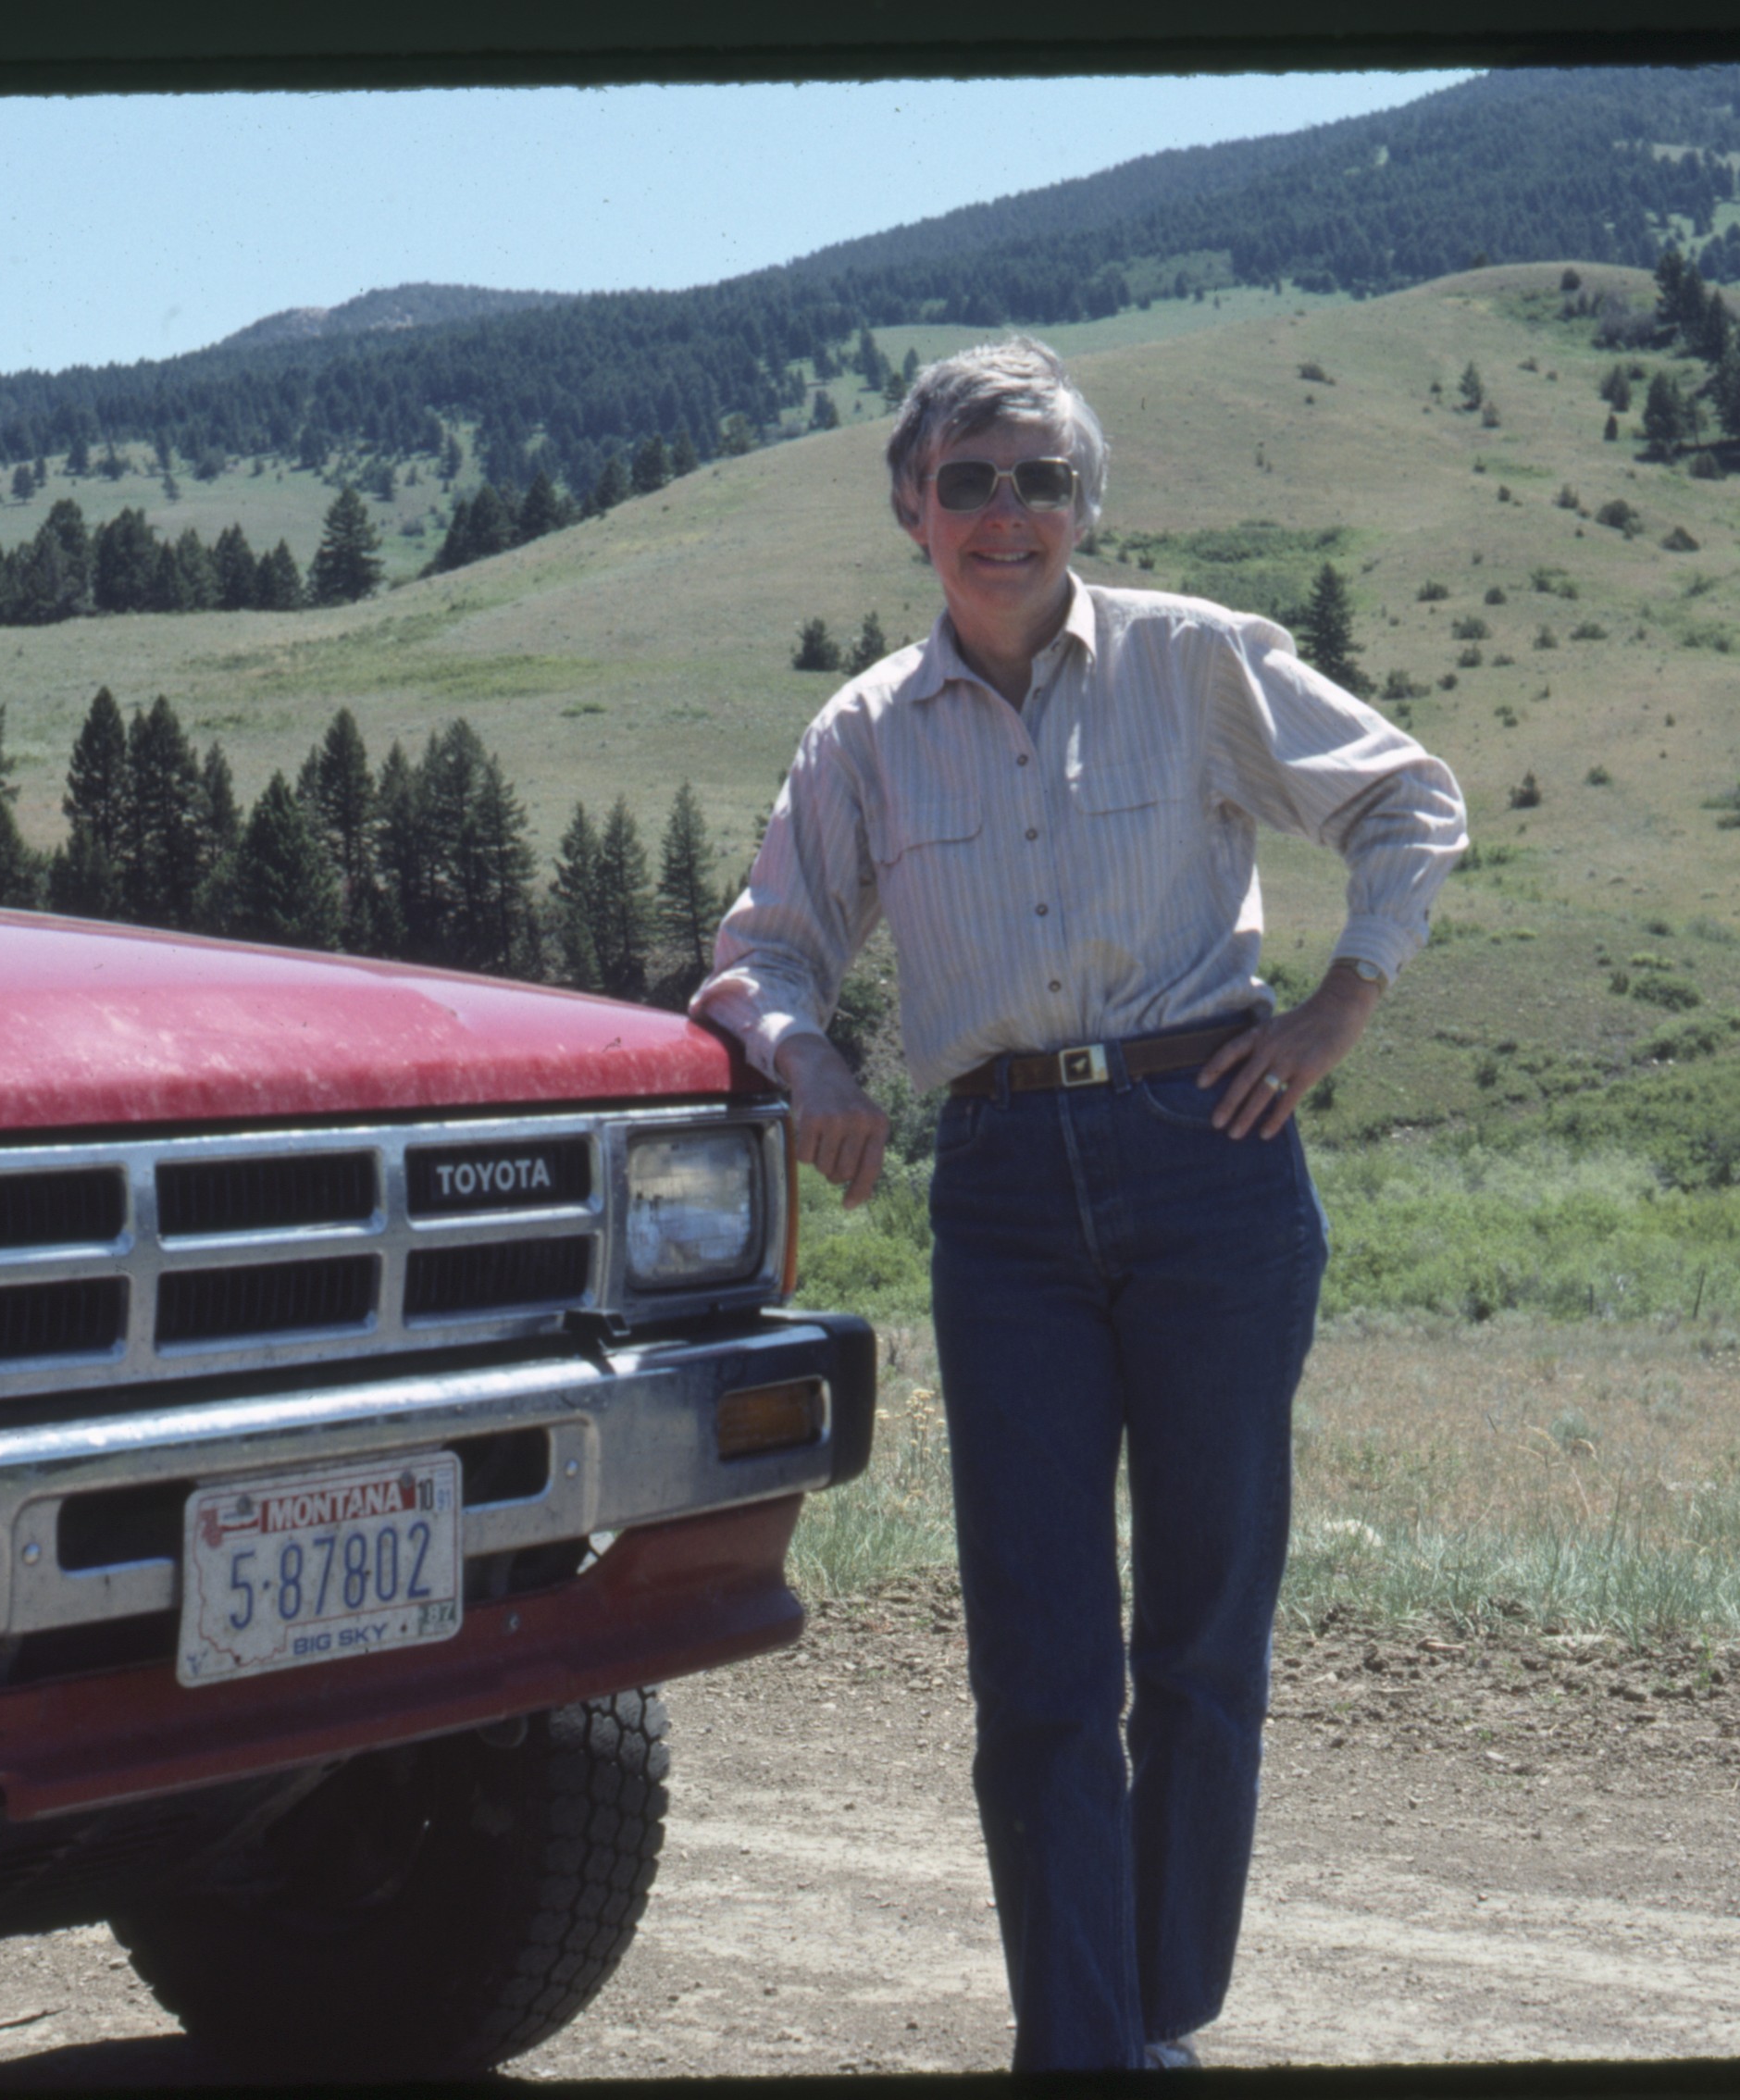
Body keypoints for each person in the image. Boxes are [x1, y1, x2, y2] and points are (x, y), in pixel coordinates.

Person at [692, 336, 1465, 2072]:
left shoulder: (1193, 659)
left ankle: (1156, 2017)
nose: (1005, 512)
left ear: (1083, 503)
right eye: (966, 480)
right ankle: (1080, 2043)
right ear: (911, 508)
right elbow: (762, 951)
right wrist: (810, 1062)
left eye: (1038, 479)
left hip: (1213, 1157)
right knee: (1039, 1654)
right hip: (1004, 1196)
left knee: (1201, 1632)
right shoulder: (865, 732)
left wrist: (1339, 1006)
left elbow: (1407, 799)